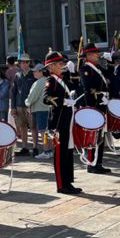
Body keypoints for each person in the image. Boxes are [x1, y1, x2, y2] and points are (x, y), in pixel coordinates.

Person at [43, 50, 82, 194]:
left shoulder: (62, 79)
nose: (62, 65)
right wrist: (63, 101)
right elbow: (46, 98)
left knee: (68, 152)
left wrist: (74, 72)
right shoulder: (51, 81)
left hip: (67, 121)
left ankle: (68, 182)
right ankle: (61, 185)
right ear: (51, 66)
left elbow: (77, 87)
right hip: (58, 123)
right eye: (60, 63)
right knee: (60, 154)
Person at [79, 43, 113, 174]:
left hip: (102, 104)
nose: (98, 55)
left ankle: (98, 163)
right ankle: (91, 164)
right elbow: (88, 88)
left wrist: (110, 62)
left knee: (100, 135)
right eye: (95, 53)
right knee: (92, 136)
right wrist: (99, 99)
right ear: (88, 55)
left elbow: (110, 76)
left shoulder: (97, 67)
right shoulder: (85, 69)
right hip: (94, 106)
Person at [11, 54, 35, 157]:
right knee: (22, 127)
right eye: (22, 62)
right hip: (19, 105)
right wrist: (13, 107)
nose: (24, 64)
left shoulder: (34, 74)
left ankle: (35, 148)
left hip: (31, 105)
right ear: (19, 63)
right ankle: (25, 148)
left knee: (33, 127)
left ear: (29, 63)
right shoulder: (17, 75)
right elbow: (14, 92)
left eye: (26, 62)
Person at [25, 64, 51, 159]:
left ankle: (46, 151)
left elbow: (32, 96)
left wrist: (27, 103)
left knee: (43, 131)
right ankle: (49, 150)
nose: (33, 73)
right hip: (47, 109)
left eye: (35, 71)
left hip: (41, 109)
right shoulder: (48, 80)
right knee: (47, 131)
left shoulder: (39, 82)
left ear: (41, 71)